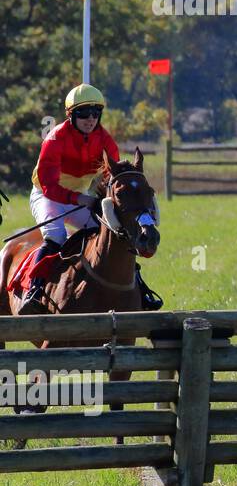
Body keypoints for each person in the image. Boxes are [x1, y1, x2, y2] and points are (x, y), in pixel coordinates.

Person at [18, 84, 155, 314]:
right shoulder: (54, 140)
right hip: (47, 195)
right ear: (70, 114)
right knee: (56, 236)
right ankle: (34, 289)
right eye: (83, 113)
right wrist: (80, 199)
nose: (90, 119)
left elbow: (112, 179)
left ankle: (140, 289)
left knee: (114, 235)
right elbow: (49, 186)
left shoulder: (105, 140)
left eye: (95, 113)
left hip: (82, 197)